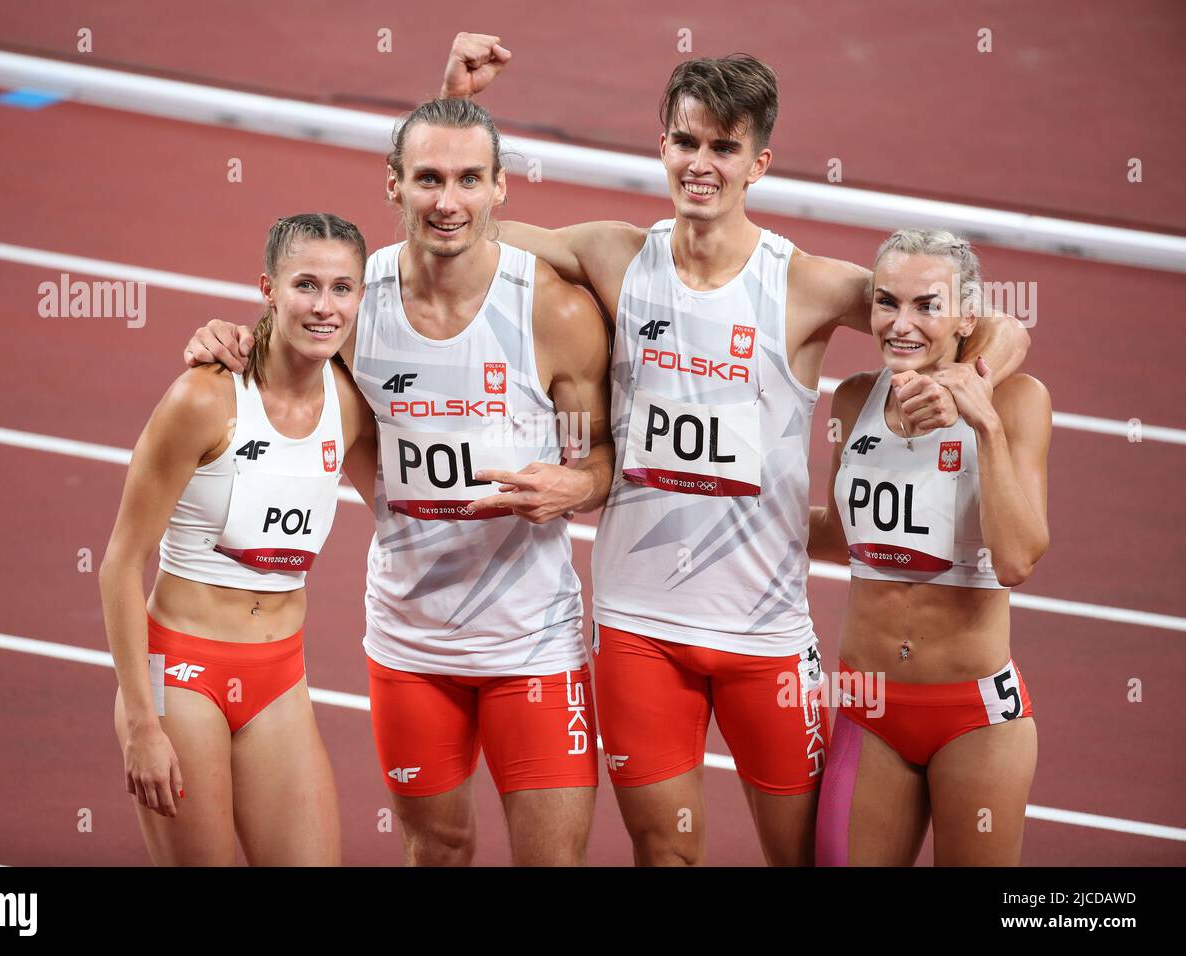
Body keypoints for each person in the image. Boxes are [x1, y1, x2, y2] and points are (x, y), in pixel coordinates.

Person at [425, 33, 1032, 866]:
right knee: (663, 852)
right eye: (686, 141)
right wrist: (459, 101)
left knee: (803, 857)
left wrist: (977, 379)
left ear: (759, 161)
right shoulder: (616, 254)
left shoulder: (805, 282)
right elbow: (463, 226)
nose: (700, 163)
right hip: (639, 625)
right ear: (661, 144)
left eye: (723, 146)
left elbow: (985, 317)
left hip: (766, 634)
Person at [184, 98, 614, 866]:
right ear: (393, 186)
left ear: (500, 187)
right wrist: (221, 339)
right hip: (410, 640)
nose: (448, 202)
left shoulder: (554, 311)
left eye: (468, 180)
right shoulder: (356, 305)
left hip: (532, 643)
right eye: (427, 179)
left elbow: (603, 456)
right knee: (435, 848)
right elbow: (276, 352)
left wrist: (576, 488)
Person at [100, 213, 377, 865]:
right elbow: (119, 565)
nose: (324, 305)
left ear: (362, 298)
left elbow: (409, 504)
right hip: (183, 677)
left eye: (343, 288)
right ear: (268, 289)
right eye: (306, 284)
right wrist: (141, 723)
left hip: (279, 678)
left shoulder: (350, 404)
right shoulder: (202, 399)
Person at [808, 230, 1049, 865]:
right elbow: (838, 535)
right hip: (868, 704)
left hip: (972, 714)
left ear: (969, 316)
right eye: (886, 303)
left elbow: (1018, 558)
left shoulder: (1019, 401)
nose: (901, 324)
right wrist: (726, 506)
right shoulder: (854, 398)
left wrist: (984, 422)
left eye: (926, 306)